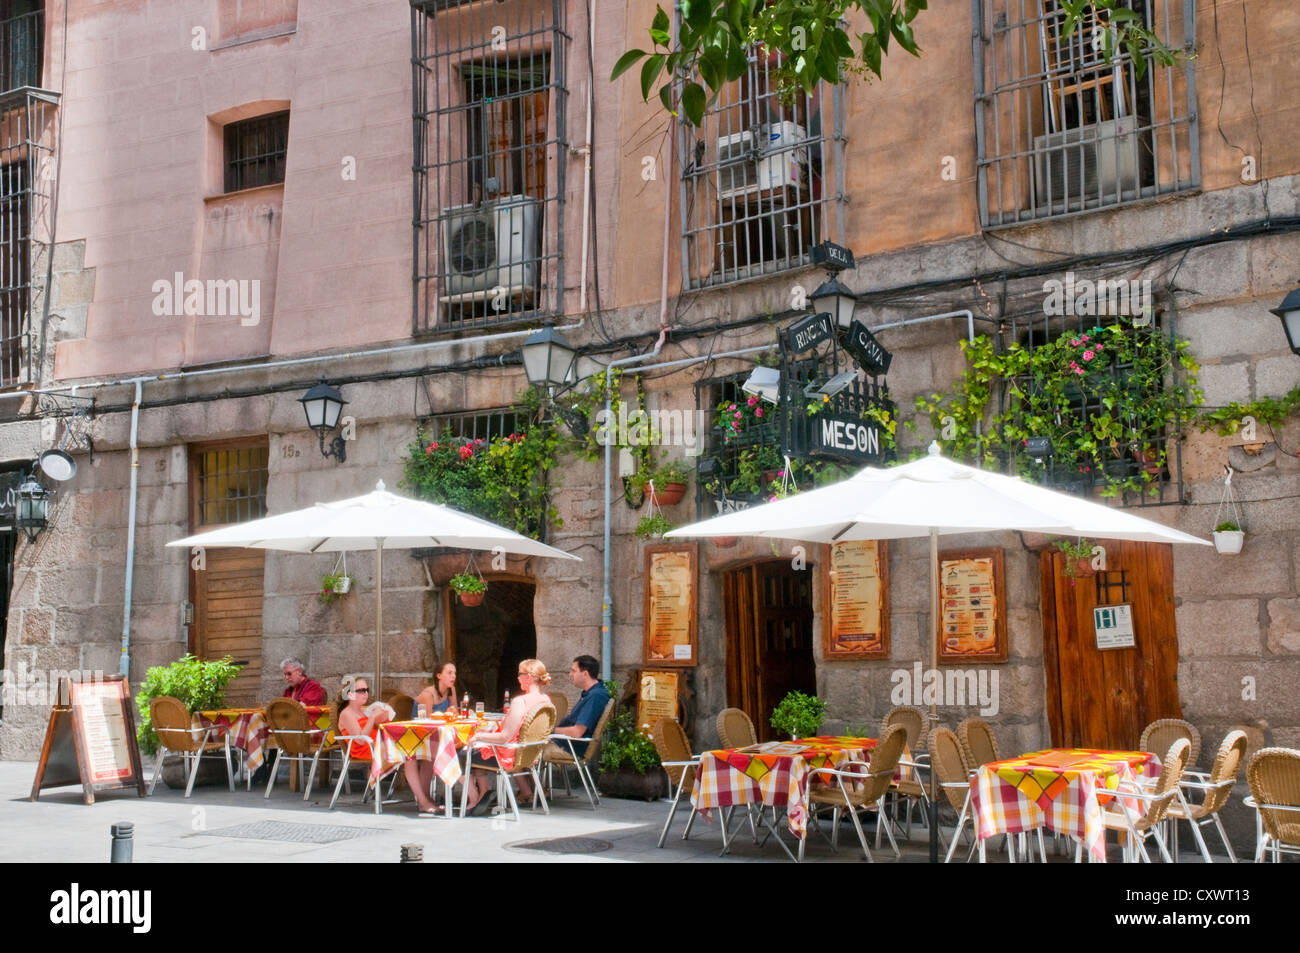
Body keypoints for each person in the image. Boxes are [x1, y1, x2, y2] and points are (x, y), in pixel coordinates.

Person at [462, 659, 553, 815]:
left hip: (509, 756)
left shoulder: (520, 701)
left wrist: (479, 736)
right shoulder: (546, 701)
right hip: (528, 756)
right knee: (474, 750)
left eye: (520, 674)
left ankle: (476, 798)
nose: (517, 678)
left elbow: (504, 737)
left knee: (461, 754)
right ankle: (484, 792)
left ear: (529, 677)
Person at [551, 655, 611, 757]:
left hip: (570, 747)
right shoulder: (593, 693)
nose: (570, 674)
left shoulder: (596, 696)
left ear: (585, 674)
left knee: (526, 747)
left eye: (574, 671)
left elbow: (577, 732)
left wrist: (552, 731)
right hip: (567, 743)